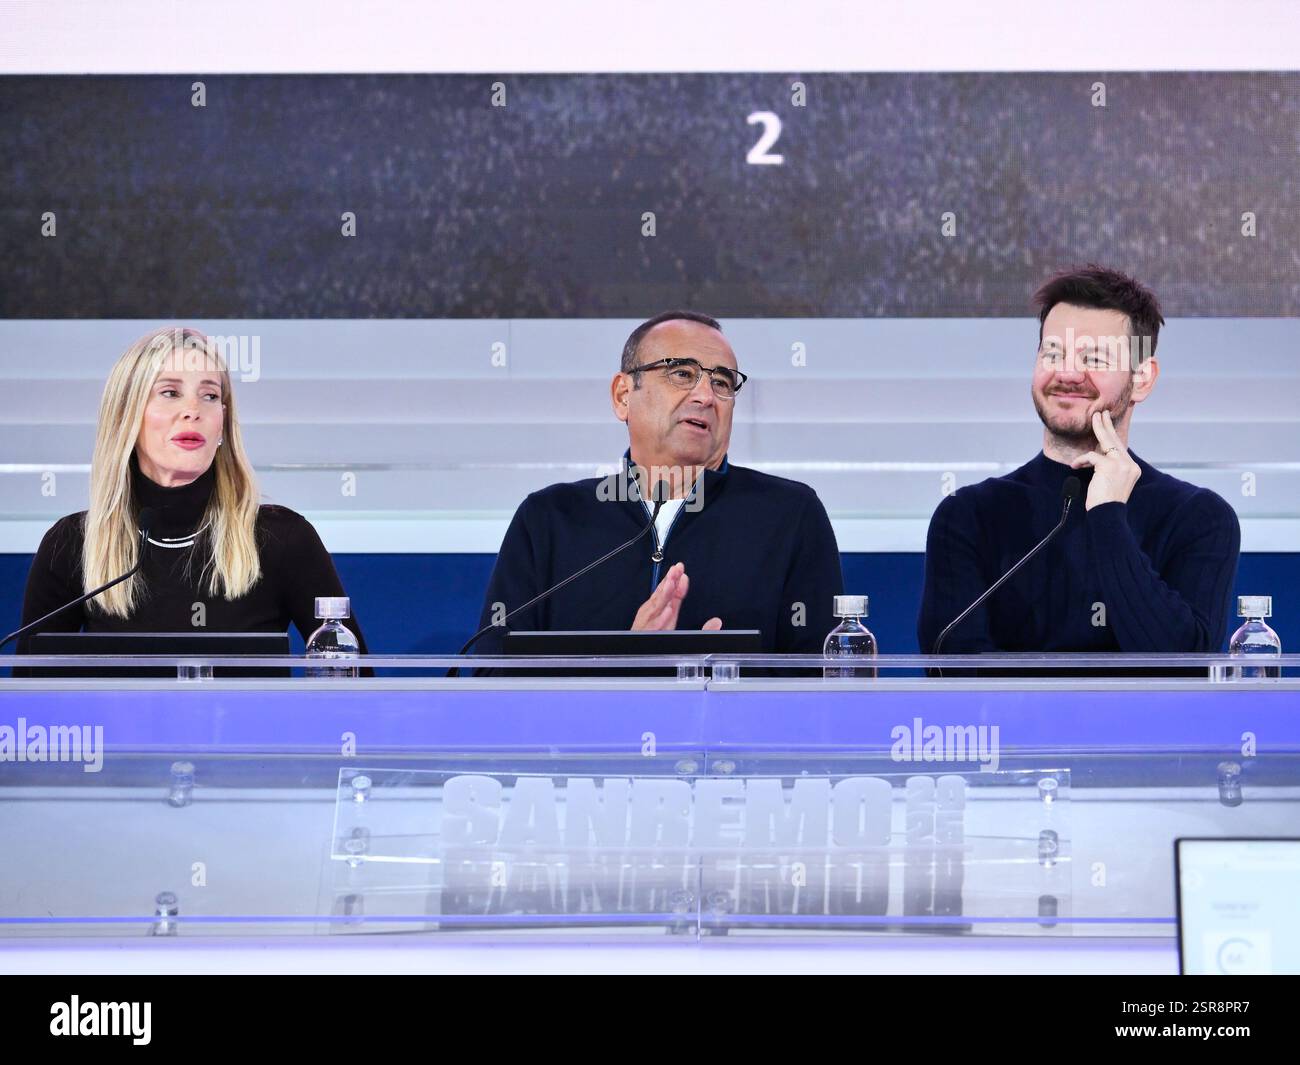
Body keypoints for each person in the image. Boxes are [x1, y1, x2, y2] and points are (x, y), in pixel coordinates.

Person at [473, 310, 843, 653]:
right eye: (682, 373)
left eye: (722, 382)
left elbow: (820, 684)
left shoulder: (789, 515)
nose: (705, 396)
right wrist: (631, 664)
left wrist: (714, 685)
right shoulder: (549, 518)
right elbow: (493, 680)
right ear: (623, 396)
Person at [917, 265, 1239, 654]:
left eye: (1095, 359)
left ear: (1142, 379)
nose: (1068, 373)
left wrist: (1107, 515)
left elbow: (1181, 664)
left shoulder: (1198, 518)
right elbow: (953, 673)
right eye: (1053, 353)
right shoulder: (967, 515)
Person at [15, 327, 367, 655]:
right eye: (170, 392)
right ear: (126, 414)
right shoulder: (71, 544)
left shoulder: (282, 538)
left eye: (209, 395)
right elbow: (33, 705)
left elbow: (354, 689)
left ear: (223, 422)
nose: (192, 411)